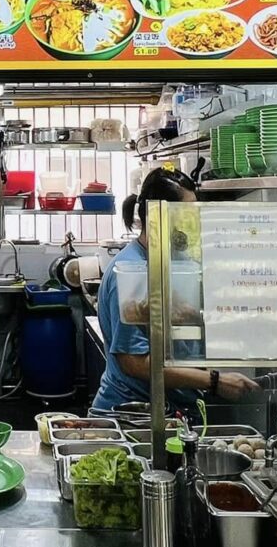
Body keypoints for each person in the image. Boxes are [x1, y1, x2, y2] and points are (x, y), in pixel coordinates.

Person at [91, 167, 256, 415]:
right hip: (133, 413)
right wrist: (213, 381)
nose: (192, 221)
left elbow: (177, 315)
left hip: (171, 408)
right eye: (185, 213)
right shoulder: (132, 272)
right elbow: (134, 363)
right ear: (159, 215)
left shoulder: (172, 257)